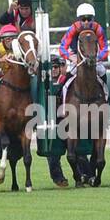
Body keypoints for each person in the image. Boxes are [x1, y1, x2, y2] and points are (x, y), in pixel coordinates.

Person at [43, 53, 69, 188]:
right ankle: (58, 178)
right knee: (53, 153)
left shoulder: (67, 80)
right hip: (50, 122)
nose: (53, 69)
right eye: (51, 67)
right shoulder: (42, 83)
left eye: (55, 67)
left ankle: (84, 175)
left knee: (76, 151)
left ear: (60, 68)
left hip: (67, 120)